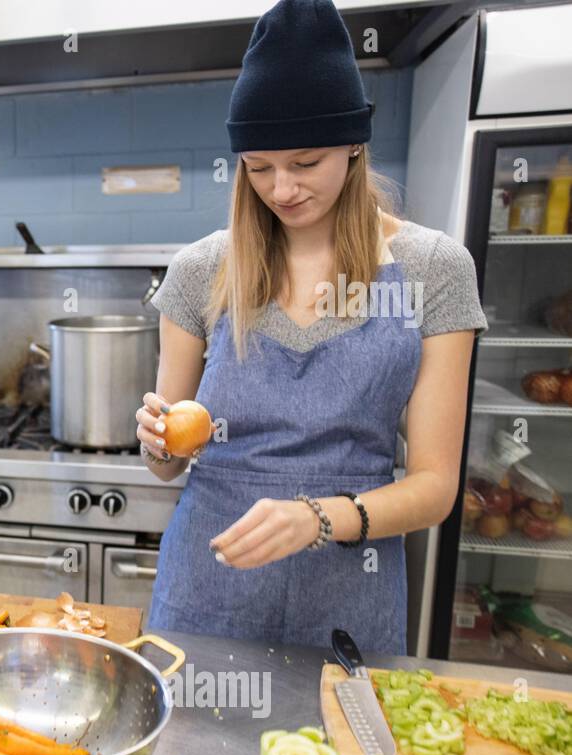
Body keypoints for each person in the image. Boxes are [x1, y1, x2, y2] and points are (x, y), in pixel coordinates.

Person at [136, 0, 487, 653]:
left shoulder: (434, 271)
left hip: (348, 599)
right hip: (208, 591)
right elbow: (168, 461)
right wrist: (158, 440)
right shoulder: (200, 270)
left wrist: (319, 518)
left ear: (355, 146)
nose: (282, 188)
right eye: (259, 167)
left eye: (306, 162)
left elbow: (436, 487)